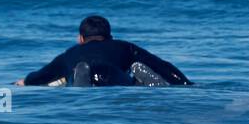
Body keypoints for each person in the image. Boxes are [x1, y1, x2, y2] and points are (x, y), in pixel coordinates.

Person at [14, 15, 192, 87]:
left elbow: (42, 75)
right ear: (110, 37)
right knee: (133, 81)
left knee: (73, 83)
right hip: (111, 75)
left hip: (82, 78)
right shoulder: (124, 47)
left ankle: (82, 75)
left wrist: (25, 81)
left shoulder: (69, 54)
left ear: (81, 39)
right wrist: (185, 83)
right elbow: (162, 66)